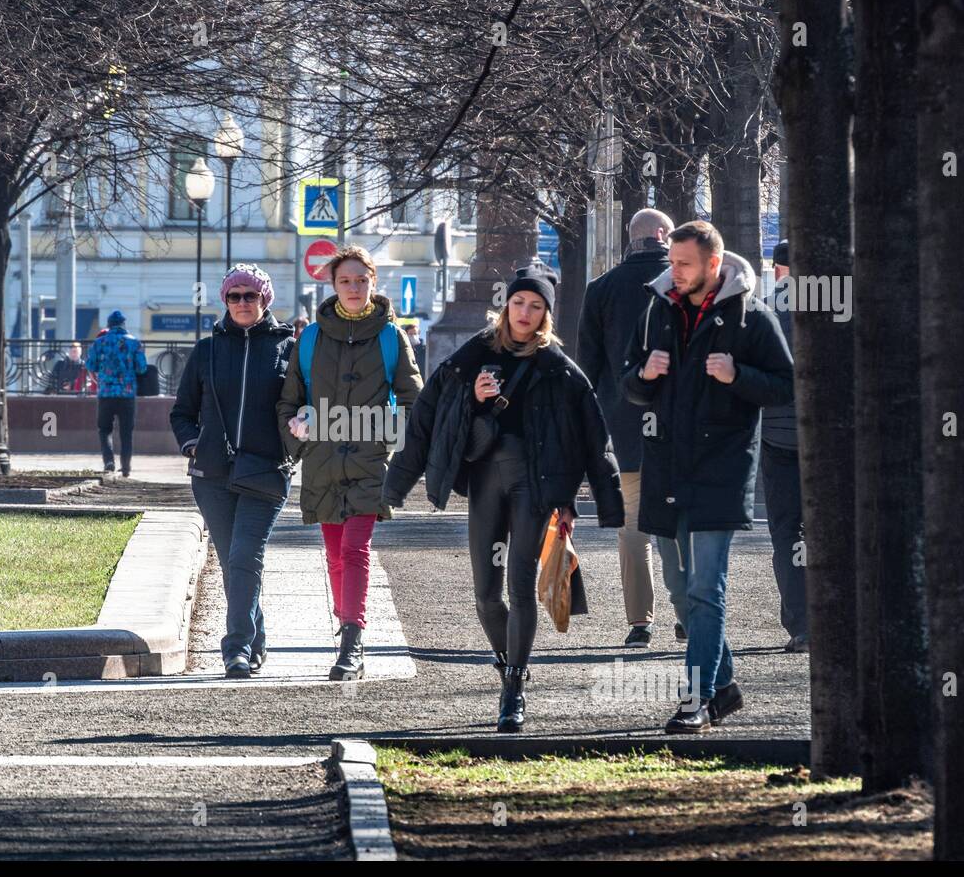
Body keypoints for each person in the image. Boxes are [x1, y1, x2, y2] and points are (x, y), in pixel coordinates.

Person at [385, 264, 625, 732]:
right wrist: (473, 400)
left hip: (534, 486)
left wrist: (576, 502)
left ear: (546, 315)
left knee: (520, 587)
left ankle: (514, 687)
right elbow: (427, 421)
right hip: (485, 482)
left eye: (535, 306)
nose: (525, 313)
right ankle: (507, 663)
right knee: (485, 597)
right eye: (519, 303)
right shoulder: (472, 356)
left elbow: (589, 439)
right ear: (506, 305)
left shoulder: (559, 368)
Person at [620, 220, 794, 734]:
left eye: (684, 264)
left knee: (704, 588)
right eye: (672, 262)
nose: (673, 272)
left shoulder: (752, 317)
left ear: (713, 265)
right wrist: (644, 375)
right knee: (681, 588)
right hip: (668, 468)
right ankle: (725, 687)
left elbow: (785, 385)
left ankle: (696, 699)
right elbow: (629, 384)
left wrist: (737, 376)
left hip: (721, 469)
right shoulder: (657, 310)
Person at [277, 245, 423, 681]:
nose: (354, 287)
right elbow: (288, 400)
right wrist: (297, 430)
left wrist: (389, 440)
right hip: (321, 459)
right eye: (345, 280)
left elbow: (414, 400)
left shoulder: (391, 337)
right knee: (335, 555)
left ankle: (352, 643)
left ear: (373, 282)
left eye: (361, 280)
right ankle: (347, 626)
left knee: (355, 550)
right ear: (333, 285)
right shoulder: (310, 338)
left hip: (369, 461)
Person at [170, 265, 294, 678]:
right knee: (233, 562)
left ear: (265, 300)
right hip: (212, 476)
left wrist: (299, 437)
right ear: (225, 300)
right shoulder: (207, 351)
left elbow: (304, 405)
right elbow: (182, 411)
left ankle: (236, 647)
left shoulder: (288, 349)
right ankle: (255, 639)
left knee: (244, 556)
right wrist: (193, 443)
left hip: (266, 471)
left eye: (250, 295)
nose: (242, 303)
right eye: (234, 296)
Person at [578, 208, 674, 648]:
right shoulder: (681, 284)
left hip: (624, 426)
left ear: (632, 238)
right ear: (662, 234)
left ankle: (640, 621)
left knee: (633, 527)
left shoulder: (601, 289)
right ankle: (689, 610)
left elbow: (588, 369)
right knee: (680, 521)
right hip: (677, 425)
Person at [761, 240, 807, 653]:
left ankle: (800, 622)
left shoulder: (764, 313)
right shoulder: (839, 307)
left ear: (777, 271)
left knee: (786, 531)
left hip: (776, 439)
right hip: (830, 439)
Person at [85, 310, 147, 476]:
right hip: (127, 394)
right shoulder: (134, 343)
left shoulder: (99, 342)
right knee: (126, 432)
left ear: (109, 325)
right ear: (123, 324)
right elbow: (142, 368)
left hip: (106, 393)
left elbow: (91, 365)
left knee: (104, 429)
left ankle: (109, 461)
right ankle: (126, 467)